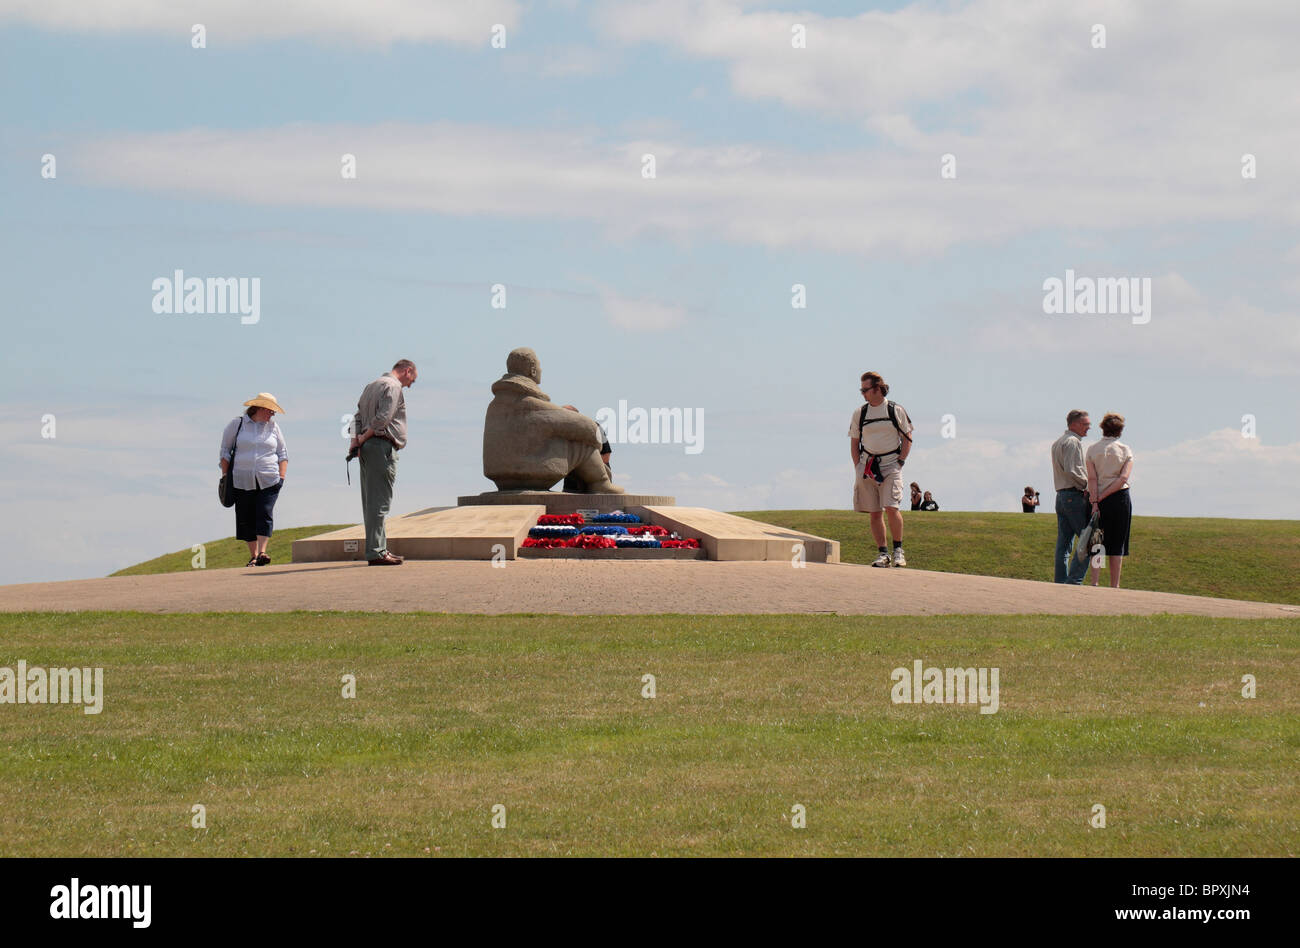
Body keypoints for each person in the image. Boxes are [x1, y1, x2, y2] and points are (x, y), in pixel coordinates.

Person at [351, 360, 417, 566]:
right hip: (381, 446)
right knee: (380, 501)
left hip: (367, 448)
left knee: (370, 501)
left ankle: (376, 549)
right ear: (407, 371)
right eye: (411, 380)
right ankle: (377, 551)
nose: (410, 385)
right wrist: (363, 439)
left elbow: (357, 418)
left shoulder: (371, 385)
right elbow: (383, 419)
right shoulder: (393, 386)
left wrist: (356, 442)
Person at [849, 371, 914, 567]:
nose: (863, 394)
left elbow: (907, 437)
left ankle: (898, 551)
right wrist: (859, 466)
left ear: (877, 389)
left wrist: (900, 462)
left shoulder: (895, 410)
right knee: (874, 512)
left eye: (865, 389)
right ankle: (883, 553)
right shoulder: (860, 413)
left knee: (891, 507)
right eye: (861, 390)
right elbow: (854, 442)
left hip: (891, 465)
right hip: (868, 466)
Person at [218, 393, 288, 567]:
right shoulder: (238, 424)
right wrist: (225, 476)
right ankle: (253, 555)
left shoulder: (274, 428)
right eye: (270, 411)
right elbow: (225, 451)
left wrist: (281, 477)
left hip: (269, 478)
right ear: (260, 408)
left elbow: (283, 454)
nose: (272, 415)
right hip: (242, 479)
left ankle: (263, 552)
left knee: (264, 512)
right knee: (246, 516)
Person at [1086, 412, 1135, 588]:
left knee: (1097, 542)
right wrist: (1105, 496)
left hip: (1096, 498)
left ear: (1102, 428)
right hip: (1119, 498)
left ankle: (1095, 581)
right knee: (1117, 542)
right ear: (1120, 430)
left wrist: (1095, 501)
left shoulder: (1092, 449)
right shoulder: (1125, 450)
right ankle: (1115, 585)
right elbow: (1123, 478)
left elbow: (1091, 478)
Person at [1050, 409, 1092, 584]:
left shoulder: (1058, 442)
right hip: (1074, 496)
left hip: (1061, 496)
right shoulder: (1073, 442)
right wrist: (1089, 487)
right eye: (1085, 425)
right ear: (1074, 424)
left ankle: (1060, 581)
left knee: (1064, 544)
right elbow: (1073, 470)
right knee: (1087, 539)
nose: (1088, 428)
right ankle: (1074, 580)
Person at [561, 406, 612, 492]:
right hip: (571, 484)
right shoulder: (563, 432)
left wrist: (590, 471)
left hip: (597, 483)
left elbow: (606, 455)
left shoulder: (594, 427)